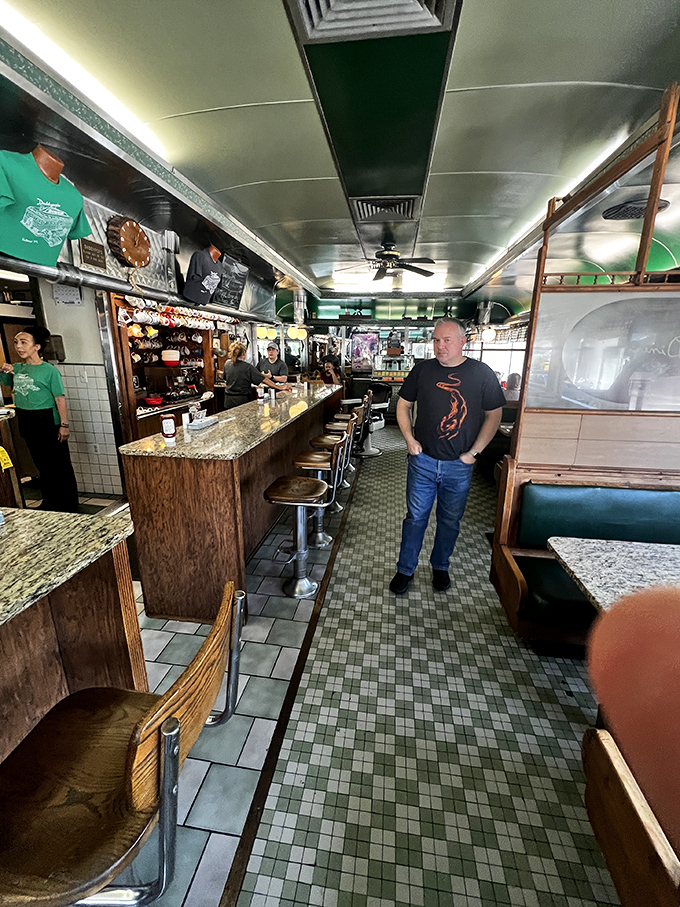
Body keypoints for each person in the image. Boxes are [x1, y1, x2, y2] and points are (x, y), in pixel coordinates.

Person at [389, 317, 505, 594]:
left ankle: (440, 565)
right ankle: (405, 569)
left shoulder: (481, 373)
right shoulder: (422, 370)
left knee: (450, 520)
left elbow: (494, 415)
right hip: (423, 461)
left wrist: (474, 453)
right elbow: (403, 406)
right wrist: (409, 440)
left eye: (447, 340)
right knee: (415, 518)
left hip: (459, 465)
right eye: (436, 340)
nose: (440, 346)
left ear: (463, 342)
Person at [0, 325, 78, 512]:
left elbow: (59, 398)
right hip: (26, 419)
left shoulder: (49, 371)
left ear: (37, 347)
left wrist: (64, 425)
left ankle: (68, 503)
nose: (19, 346)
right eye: (16, 342)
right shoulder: (16, 368)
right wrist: (4, 371)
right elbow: (6, 384)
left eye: (24, 342)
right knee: (41, 463)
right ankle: (50, 501)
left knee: (59, 464)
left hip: (47, 420)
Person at [223, 342, 287, 409]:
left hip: (228, 400)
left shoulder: (227, 364)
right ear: (243, 353)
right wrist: (280, 388)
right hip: (241, 401)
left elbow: (225, 378)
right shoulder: (247, 367)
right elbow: (264, 380)